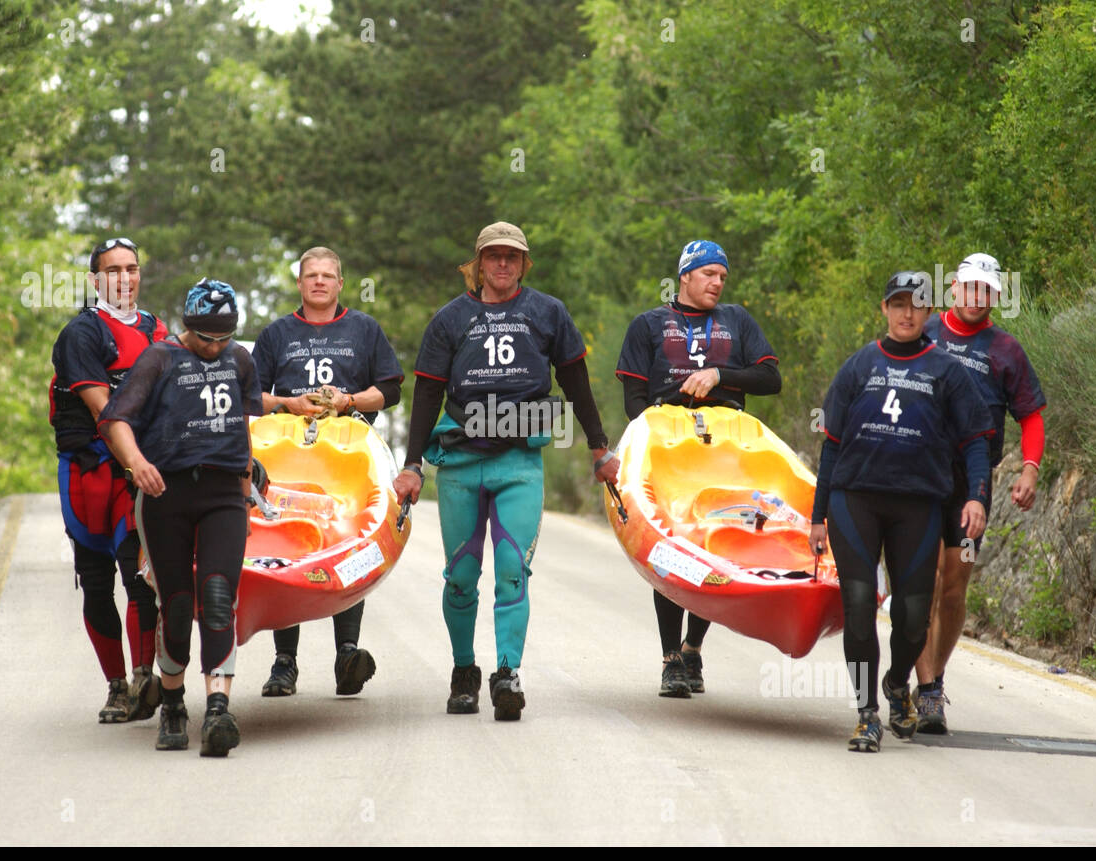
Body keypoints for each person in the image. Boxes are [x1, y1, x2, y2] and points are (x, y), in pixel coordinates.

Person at [392, 222, 620, 720]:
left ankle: (507, 673)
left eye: (512, 257)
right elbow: (428, 393)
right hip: (460, 463)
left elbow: (576, 379)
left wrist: (599, 448)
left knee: (513, 571)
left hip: (519, 462)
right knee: (461, 576)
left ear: (523, 264)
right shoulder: (450, 320)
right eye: (493, 256)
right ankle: (464, 671)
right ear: (477, 263)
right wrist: (411, 465)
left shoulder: (547, 312)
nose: (502, 264)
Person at [808, 271, 992, 752]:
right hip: (855, 498)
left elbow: (976, 440)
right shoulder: (859, 366)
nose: (907, 313)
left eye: (917, 305)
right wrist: (817, 516)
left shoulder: (946, 370)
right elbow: (830, 445)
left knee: (913, 617)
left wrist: (976, 496)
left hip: (919, 503)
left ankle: (896, 684)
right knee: (860, 603)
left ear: (929, 313)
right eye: (898, 304)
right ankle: (867, 714)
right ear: (885, 309)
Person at [98, 278, 262, 756]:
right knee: (174, 606)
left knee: (217, 597)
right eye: (205, 338)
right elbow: (115, 420)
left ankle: (218, 711)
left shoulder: (240, 360)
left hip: (223, 494)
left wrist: (247, 486)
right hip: (165, 493)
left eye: (222, 338)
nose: (214, 347)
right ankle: (172, 701)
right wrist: (137, 463)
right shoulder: (160, 359)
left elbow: (242, 427)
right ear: (188, 327)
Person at [616, 240, 782, 698]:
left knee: (714, 544)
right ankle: (671, 659)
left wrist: (718, 375)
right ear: (685, 276)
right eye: (709, 274)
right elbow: (633, 405)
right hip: (669, 453)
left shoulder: (736, 321)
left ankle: (694, 646)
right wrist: (669, 408)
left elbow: (771, 379)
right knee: (672, 546)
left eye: (723, 277)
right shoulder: (648, 325)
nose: (717, 283)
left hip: (725, 453)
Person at [252, 246, 404, 698]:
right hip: (287, 456)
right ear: (299, 284)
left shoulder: (363, 328)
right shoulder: (276, 333)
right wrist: (288, 403)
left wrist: (349, 401)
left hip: (347, 456)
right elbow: (250, 394)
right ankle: (284, 664)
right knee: (293, 542)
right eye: (311, 275)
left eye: (328, 275)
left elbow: (390, 390)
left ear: (340, 283)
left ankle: (347, 653)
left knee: (346, 540)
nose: (319, 282)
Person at [913, 253, 1046, 732]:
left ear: (995, 296)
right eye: (969, 287)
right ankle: (927, 691)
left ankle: (936, 673)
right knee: (922, 584)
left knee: (953, 585)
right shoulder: (924, 332)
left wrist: (1029, 469)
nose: (976, 297)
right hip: (918, 477)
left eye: (985, 290)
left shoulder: (1006, 350)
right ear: (953, 289)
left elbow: (1030, 415)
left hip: (973, 484)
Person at [49, 236, 165, 723]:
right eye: (114, 270)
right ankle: (115, 687)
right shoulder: (82, 333)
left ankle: (143, 680)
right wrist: (133, 457)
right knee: (96, 583)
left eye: (132, 268)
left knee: (140, 578)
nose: (125, 278)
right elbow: (103, 408)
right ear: (96, 280)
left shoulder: (158, 330)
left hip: (138, 473)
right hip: (90, 471)